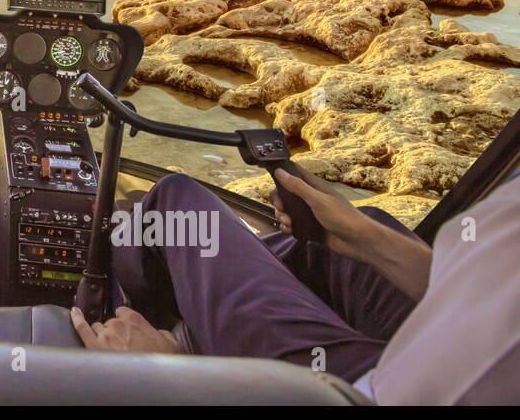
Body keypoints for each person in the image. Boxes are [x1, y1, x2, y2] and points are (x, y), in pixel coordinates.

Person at [70, 166, 520, 403]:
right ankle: (211, 303)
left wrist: (171, 381)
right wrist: (365, 239)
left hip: (362, 397)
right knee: (341, 239)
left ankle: (128, 314)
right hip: (440, 346)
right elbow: (486, 288)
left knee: (180, 205)